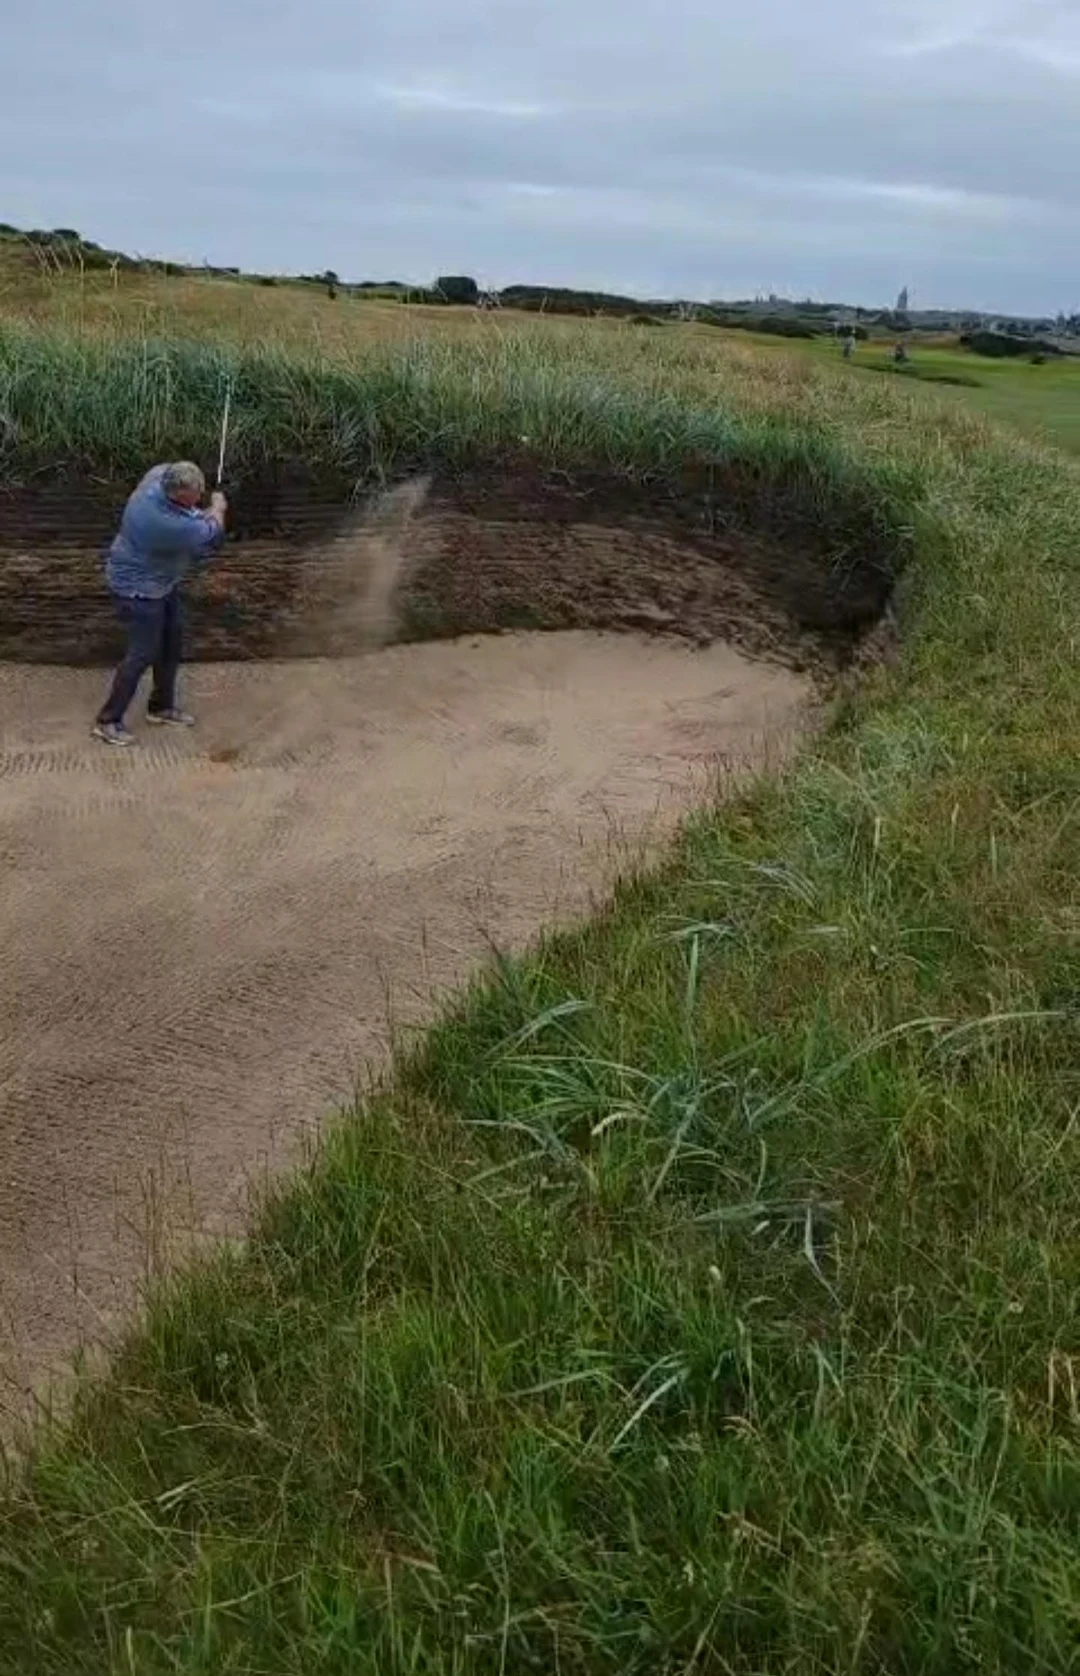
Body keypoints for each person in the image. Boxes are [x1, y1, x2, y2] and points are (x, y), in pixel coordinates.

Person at [92, 462, 227, 746]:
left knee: (171, 642)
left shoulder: (157, 475)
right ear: (175, 494)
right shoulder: (164, 525)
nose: (200, 496)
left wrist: (200, 509)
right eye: (195, 494)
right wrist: (218, 507)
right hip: (138, 590)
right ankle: (108, 721)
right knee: (142, 653)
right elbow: (213, 535)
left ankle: (161, 707)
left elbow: (191, 511)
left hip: (161, 583)